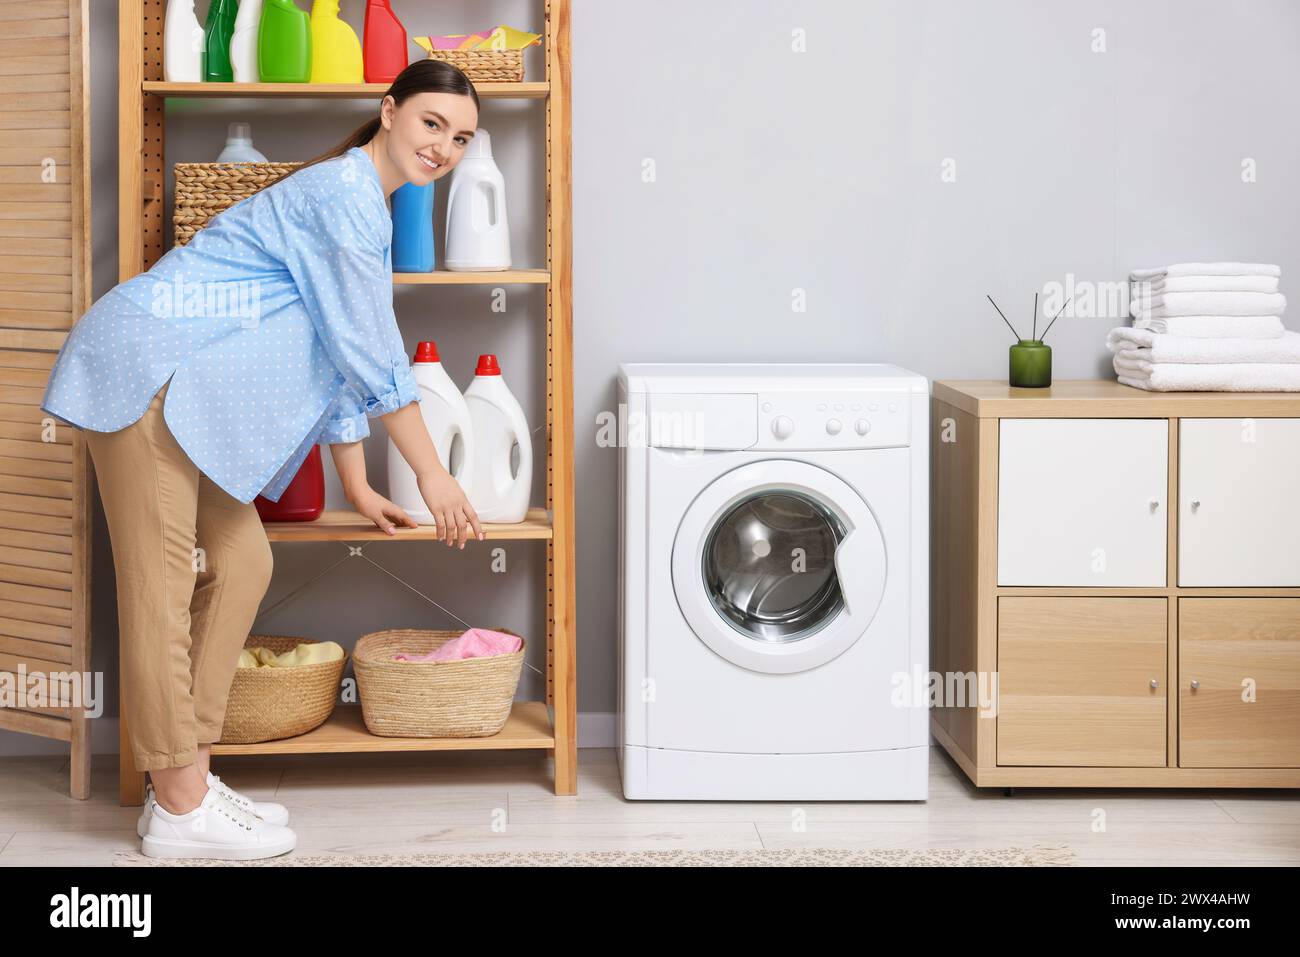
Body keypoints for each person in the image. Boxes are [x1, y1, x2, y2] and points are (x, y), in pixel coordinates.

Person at [40, 59, 484, 860]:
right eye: (431, 123)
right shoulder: (343, 198)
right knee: (161, 584)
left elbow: (338, 348)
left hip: (183, 393)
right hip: (145, 369)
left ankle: (189, 782)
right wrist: (430, 471)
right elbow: (372, 350)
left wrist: (356, 482)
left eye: (460, 137)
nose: (444, 146)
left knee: (242, 562)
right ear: (388, 112)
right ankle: (177, 807)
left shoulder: (363, 206)